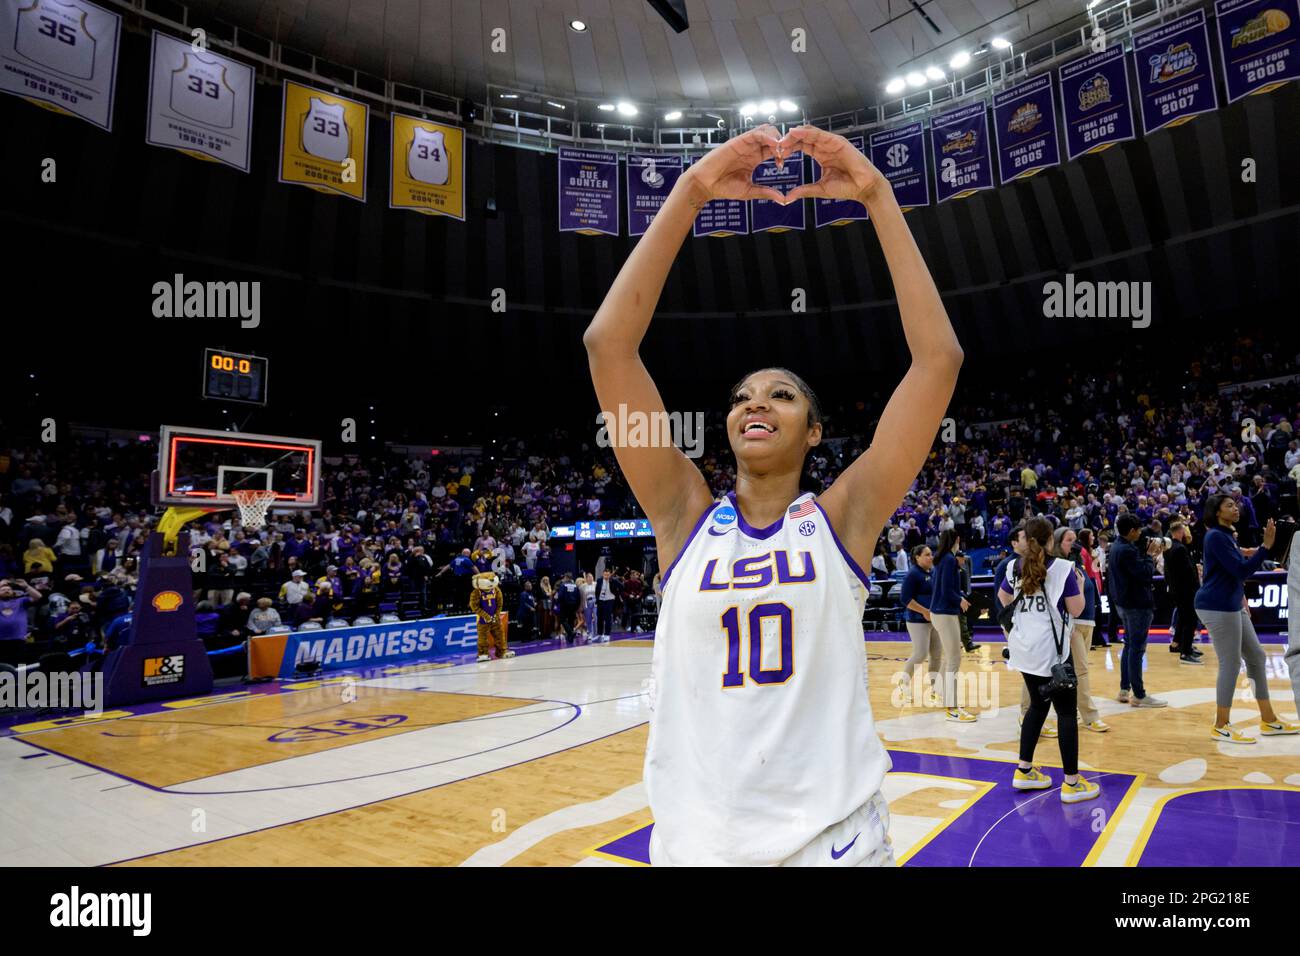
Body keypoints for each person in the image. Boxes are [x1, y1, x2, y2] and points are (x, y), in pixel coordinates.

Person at [585, 124, 963, 865]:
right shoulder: (681, 515)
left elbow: (937, 358)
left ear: (815, 432)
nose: (755, 403)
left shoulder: (843, 520)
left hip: (834, 848)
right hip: (698, 850)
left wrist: (877, 195)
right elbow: (608, 345)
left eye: (782, 395)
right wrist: (693, 191)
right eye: (741, 396)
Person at [998, 517, 1098, 803]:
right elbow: (1076, 609)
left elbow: (1003, 597)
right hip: (1053, 653)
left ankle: (1024, 770)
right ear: (1050, 540)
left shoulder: (1013, 566)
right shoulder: (1063, 568)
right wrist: (1078, 583)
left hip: (1023, 648)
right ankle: (1072, 784)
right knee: (1066, 714)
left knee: (1037, 707)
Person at [1194, 496, 1297, 743]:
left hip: (1230, 604)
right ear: (1216, 512)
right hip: (1217, 606)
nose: (1235, 508)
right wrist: (1265, 547)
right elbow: (1241, 570)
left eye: (1235, 504)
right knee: (1230, 663)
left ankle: (1269, 719)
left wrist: (1255, 552)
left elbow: (1236, 568)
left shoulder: (1226, 535)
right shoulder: (1216, 536)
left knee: (1257, 657)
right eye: (1229, 505)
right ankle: (1221, 724)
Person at [1110, 514, 1167, 707]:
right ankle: (1140, 695)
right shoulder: (1126, 550)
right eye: (1139, 530)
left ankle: (1124, 689)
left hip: (1123, 603)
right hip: (1136, 604)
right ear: (1132, 531)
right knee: (1136, 649)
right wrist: (1151, 556)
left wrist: (1143, 553)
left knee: (1129, 645)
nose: (1141, 533)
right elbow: (1144, 574)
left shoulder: (1117, 546)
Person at [931, 530, 976, 721]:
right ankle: (952, 707)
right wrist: (960, 599)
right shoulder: (949, 559)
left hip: (938, 612)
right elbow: (947, 590)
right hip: (944, 613)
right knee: (954, 659)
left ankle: (939, 692)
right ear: (957, 540)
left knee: (950, 656)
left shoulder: (941, 559)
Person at [897, 545, 942, 707]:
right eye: (927, 555)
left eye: (931, 554)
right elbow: (905, 599)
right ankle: (903, 684)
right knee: (920, 654)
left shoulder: (933, 572)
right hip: (917, 620)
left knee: (936, 655)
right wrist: (924, 611)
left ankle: (936, 689)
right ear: (917, 557)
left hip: (934, 619)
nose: (931, 557)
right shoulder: (913, 574)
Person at [1163, 520, 1203, 664]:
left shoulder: (1170, 547)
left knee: (1183, 618)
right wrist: (1197, 587)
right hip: (1186, 590)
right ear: (1180, 532)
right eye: (1184, 530)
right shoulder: (1180, 548)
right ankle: (1185, 652)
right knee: (1190, 619)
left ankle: (1183, 646)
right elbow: (1188, 572)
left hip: (1177, 589)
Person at [595, 568, 620, 643]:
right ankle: (599, 634)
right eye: (605, 574)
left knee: (608, 618)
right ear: (603, 574)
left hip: (609, 600)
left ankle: (607, 635)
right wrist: (597, 599)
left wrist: (616, 594)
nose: (606, 576)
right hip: (600, 601)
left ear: (610, 575)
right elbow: (597, 591)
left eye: (608, 575)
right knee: (599, 618)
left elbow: (621, 586)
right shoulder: (599, 580)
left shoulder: (613, 580)